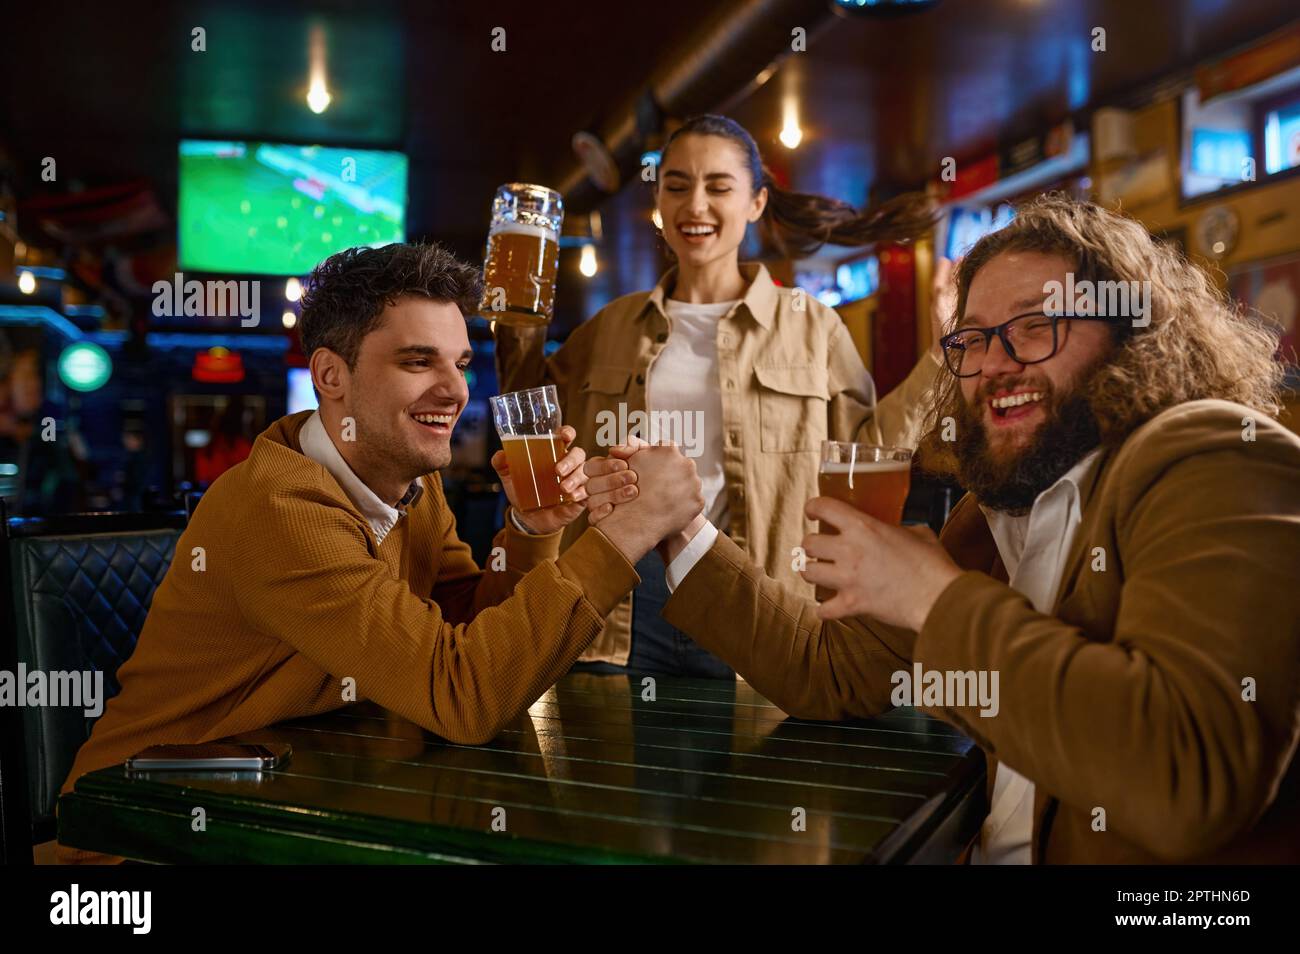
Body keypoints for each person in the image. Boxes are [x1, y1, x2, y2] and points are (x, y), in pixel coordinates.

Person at [585, 194, 1300, 863]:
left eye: (1034, 326)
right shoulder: (1000, 508)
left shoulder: (1213, 454)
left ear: (1131, 334)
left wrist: (934, 597)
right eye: (973, 339)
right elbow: (829, 672)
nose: (993, 363)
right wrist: (678, 529)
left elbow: (1186, 777)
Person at [57, 242, 704, 863]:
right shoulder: (282, 510)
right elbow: (465, 696)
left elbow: (468, 633)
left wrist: (532, 532)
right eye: (418, 362)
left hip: (297, 802)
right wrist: (626, 535)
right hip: (145, 832)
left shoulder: (414, 485)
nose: (456, 390)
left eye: (459, 362)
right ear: (331, 376)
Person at [496, 114, 942, 678]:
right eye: (677, 186)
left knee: (755, 758)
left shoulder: (813, 326)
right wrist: (516, 317)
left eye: (718, 187)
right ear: (658, 199)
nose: (695, 205)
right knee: (613, 758)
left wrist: (945, 355)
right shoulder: (612, 326)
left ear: (755, 202)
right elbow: (526, 422)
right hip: (626, 597)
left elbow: (866, 454)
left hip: (757, 587)